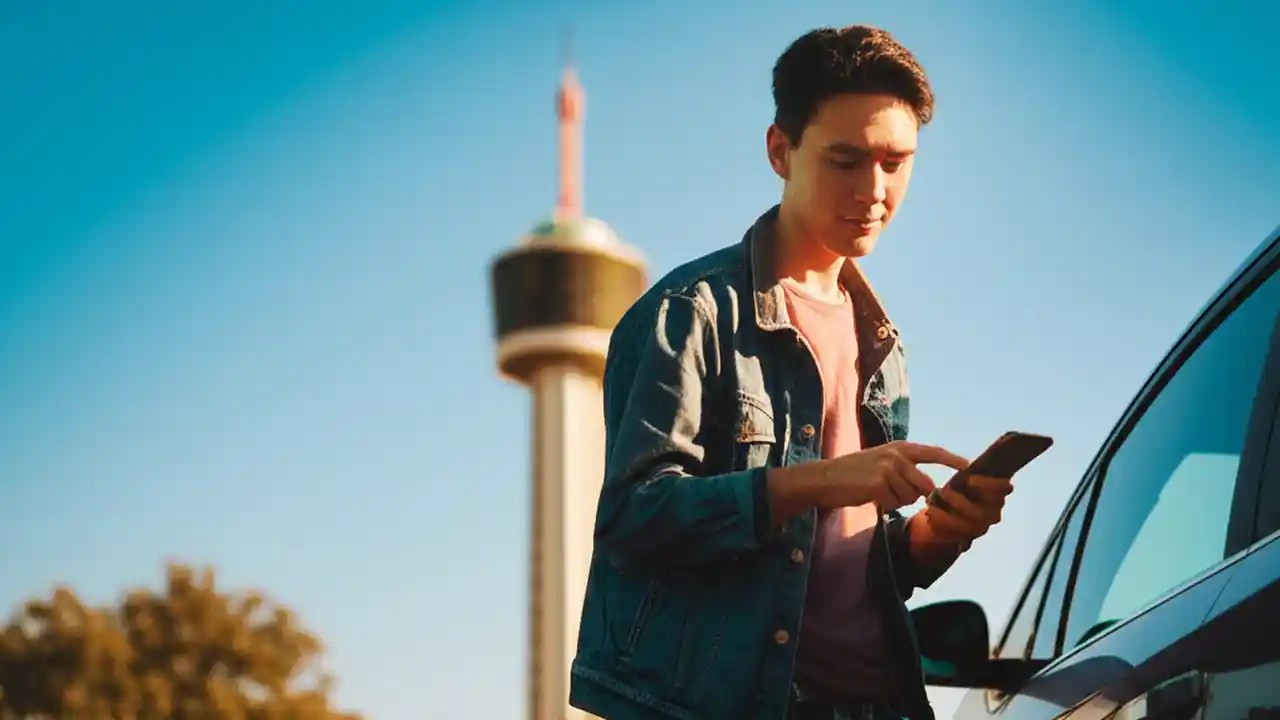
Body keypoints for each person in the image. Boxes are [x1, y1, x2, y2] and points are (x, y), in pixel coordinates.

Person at [568, 24, 1014, 720]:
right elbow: (633, 518)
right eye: (845, 159)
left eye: (897, 161)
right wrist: (820, 483)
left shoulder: (882, 345)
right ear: (780, 150)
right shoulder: (690, 315)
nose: (874, 189)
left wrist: (937, 534)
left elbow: (845, 569)